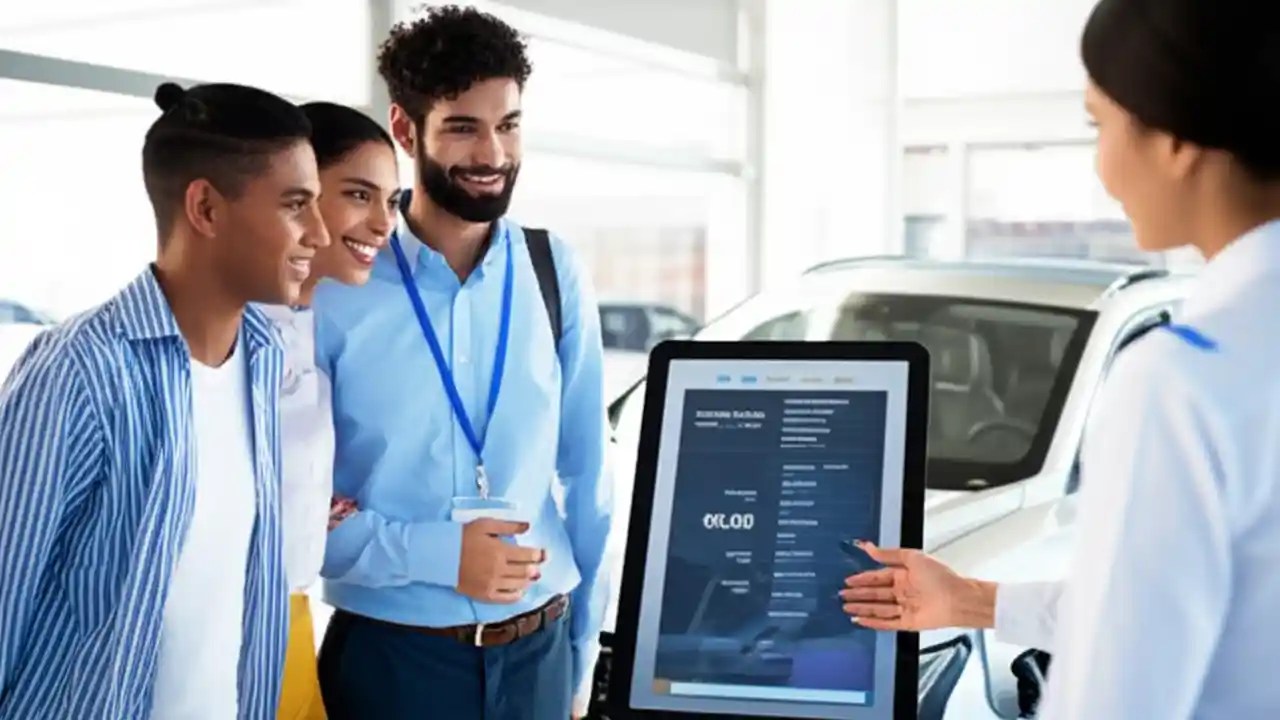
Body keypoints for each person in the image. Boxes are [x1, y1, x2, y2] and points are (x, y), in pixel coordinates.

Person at [840, 0, 1280, 716]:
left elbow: (1119, 690)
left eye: (1098, 124)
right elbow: (1196, 605)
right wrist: (969, 599)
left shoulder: (1180, 378)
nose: (1102, 166)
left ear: (1173, 139)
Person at [313, 6, 610, 719]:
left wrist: (580, 656)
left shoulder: (552, 269)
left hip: (540, 652)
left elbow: (587, 476)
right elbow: (294, 513)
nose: (492, 154)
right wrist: (439, 555)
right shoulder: (334, 286)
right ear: (407, 129)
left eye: (507, 125)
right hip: (393, 662)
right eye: (463, 127)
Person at [0, 82, 327, 718]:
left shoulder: (262, 361)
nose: (319, 232)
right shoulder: (79, 372)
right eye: (295, 205)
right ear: (205, 208)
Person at [262, 101, 400, 720]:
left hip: (293, 631)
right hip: (243, 637)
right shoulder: (235, 343)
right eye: (360, 195)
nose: (383, 224)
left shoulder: (308, 329)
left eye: (393, 202)